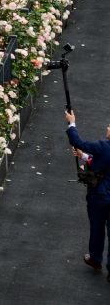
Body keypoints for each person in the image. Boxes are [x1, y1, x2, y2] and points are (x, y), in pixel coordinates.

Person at [68, 107, 110, 268]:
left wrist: (72, 123)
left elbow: (78, 142)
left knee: (97, 228)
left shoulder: (103, 146)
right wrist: (84, 156)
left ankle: (95, 259)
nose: (107, 128)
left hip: (99, 196)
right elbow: (104, 162)